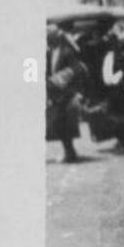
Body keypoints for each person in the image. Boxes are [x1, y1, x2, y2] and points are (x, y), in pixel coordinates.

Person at [46, 26, 87, 163]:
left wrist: (62, 79)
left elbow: (77, 69)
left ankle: (70, 152)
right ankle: (69, 151)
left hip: (67, 93)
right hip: (56, 94)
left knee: (63, 123)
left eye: (49, 36)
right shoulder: (51, 52)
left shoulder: (67, 52)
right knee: (59, 124)